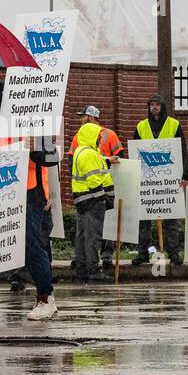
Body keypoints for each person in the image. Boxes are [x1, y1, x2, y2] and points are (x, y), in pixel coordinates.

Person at [0, 80, 59, 321]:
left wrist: (45, 194)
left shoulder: (28, 123)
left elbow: (48, 159)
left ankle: (46, 298)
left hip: (29, 192)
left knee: (31, 246)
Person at [132, 93, 188, 266]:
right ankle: (142, 252)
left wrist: (185, 175)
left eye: (157, 104)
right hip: (148, 182)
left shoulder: (174, 124)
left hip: (169, 181)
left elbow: (182, 150)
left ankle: (174, 253)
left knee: (171, 217)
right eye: (151, 105)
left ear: (163, 107)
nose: (154, 107)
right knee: (144, 218)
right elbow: (135, 153)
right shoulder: (141, 126)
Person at [69, 105, 124, 274]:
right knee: (93, 233)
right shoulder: (85, 144)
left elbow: (101, 161)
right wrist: (102, 197)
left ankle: (86, 263)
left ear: (92, 117)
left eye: (83, 116)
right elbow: (92, 173)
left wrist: (106, 161)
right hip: (93, 196)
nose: (80, 120)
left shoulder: (89, 143)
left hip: (85, 195)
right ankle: (91, 267)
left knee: (86, 232)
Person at [71, 119, 114, 285]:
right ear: (90, 135)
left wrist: (109, 160)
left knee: (83, 236)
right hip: (93, 200)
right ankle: (93, 270)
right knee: (92, 237)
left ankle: (82, 269)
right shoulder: (89, 154)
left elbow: (97, 166)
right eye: (98, 135)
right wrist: (103, 198)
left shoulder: (83, 151)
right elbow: (94, 179)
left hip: (83, 200)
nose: (99, 139)